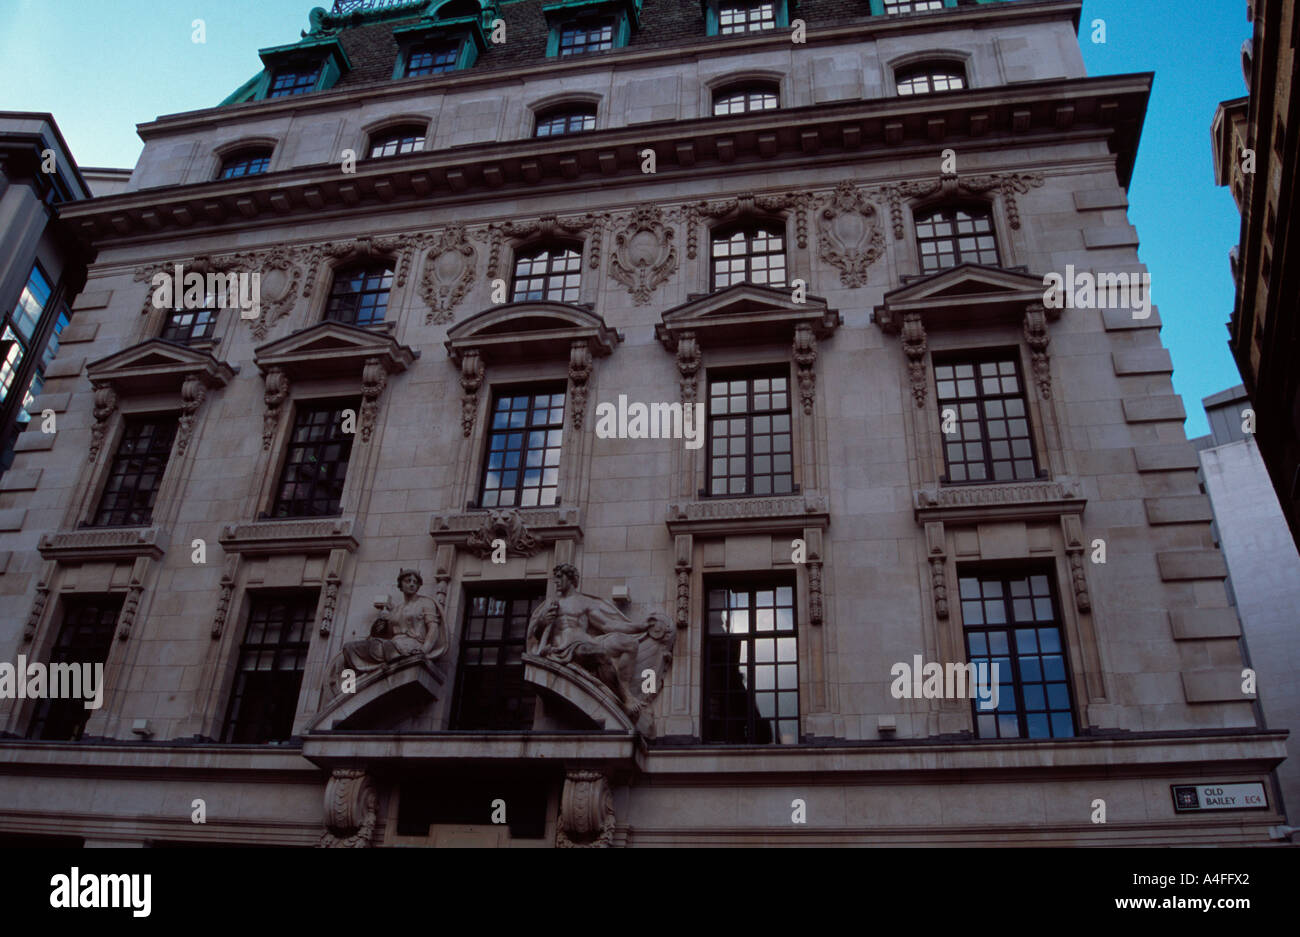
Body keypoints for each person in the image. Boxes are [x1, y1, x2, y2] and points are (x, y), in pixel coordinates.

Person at [527, 564, 647, 715]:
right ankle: (625, 698)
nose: (555, 582)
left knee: (629, 644)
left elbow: (607, 625)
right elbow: (537, 633)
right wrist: (543, 622)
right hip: (564, 648)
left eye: (559, 577)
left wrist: (640, 626)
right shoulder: (550, 604)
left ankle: (626, 691)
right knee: (599, 653)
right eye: (554, 578)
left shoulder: (584, 602)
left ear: (570, 578)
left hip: (585, 642)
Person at [329, 569, 446, 694]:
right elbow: (384, 634)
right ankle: (349, 688)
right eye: (408, 581)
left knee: (386, 647)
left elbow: (433, 628)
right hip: (392, 645)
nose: (412, 584)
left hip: (412, 645)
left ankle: (377, 669)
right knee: (349, 648)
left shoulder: (426, 603)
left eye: (415, 582)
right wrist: (381, 621)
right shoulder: (396, 609)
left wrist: (424, 650)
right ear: (401, 585)